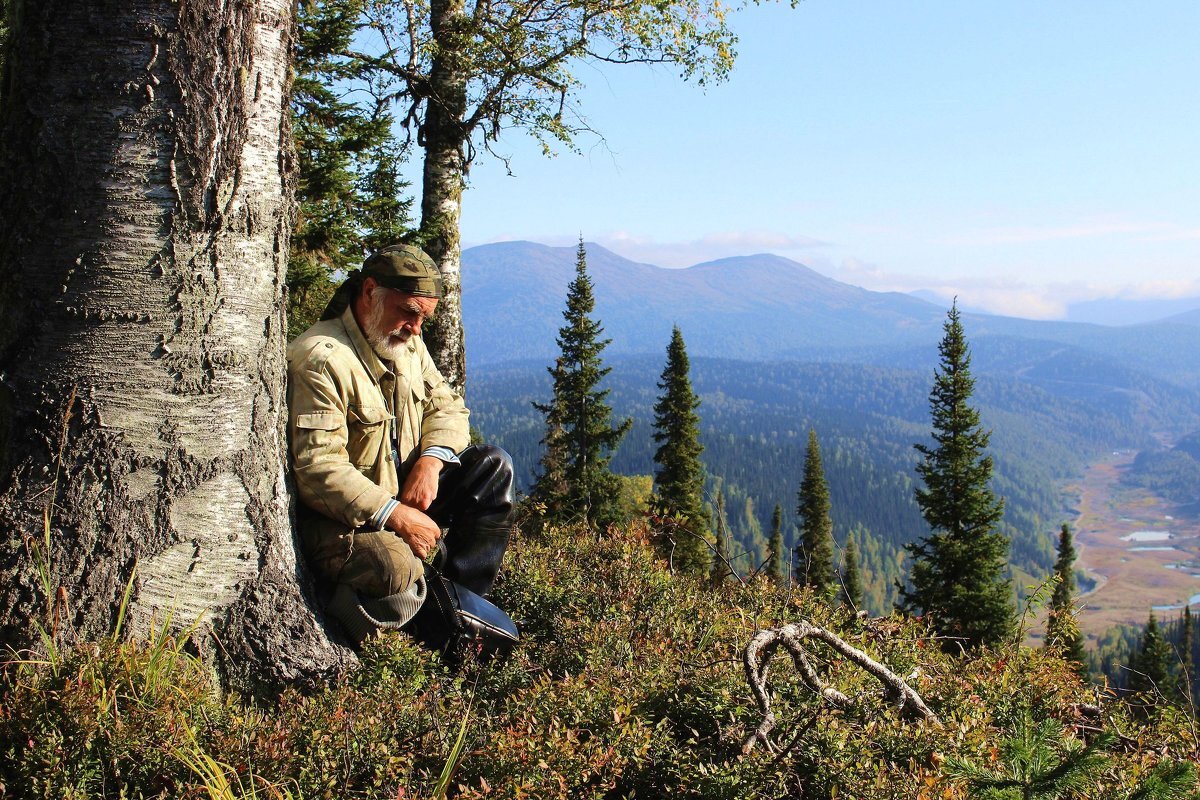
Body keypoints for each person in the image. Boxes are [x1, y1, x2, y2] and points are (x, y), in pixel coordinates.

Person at [287, 244, 514, 643]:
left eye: (423, 317)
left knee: (493, 468)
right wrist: (393, 514)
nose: (415, 328)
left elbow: (448, 408)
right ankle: (411, 633)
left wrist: (430, 462)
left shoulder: (406, 344)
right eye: (409, 312)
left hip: (401, 491)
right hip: (341, 518)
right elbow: (318, 470)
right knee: (395, 566)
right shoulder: (322, 360)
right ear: (370, 290)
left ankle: (464, 608)